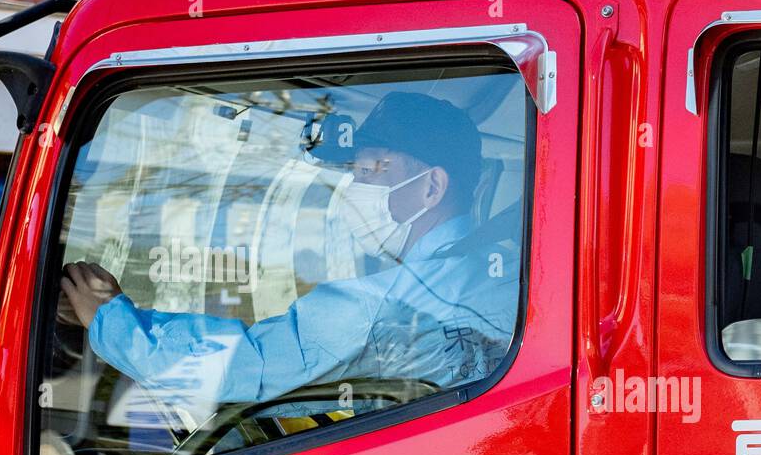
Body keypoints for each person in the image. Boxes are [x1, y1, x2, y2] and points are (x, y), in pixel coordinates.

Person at [59, 91, 519, 404]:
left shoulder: (385, 302)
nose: (354, 190)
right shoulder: (514, 274)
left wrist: (111, 318)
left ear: (432, 187)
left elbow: (244, 366)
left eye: (370, 172)